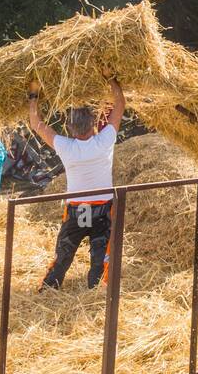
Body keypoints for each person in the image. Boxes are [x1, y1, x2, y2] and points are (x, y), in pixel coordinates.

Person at [27, 77, 125, 291]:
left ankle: (49, 289)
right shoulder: (105, 140)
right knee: (100, 258)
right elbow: (120, 106)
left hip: (76, 210)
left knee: (63, 254)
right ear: (93, 123)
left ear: (70, 128)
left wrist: (34, 95)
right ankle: (96, 292)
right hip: (103, 210)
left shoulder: (65, 146)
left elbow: (36, 124)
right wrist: (111, 81)